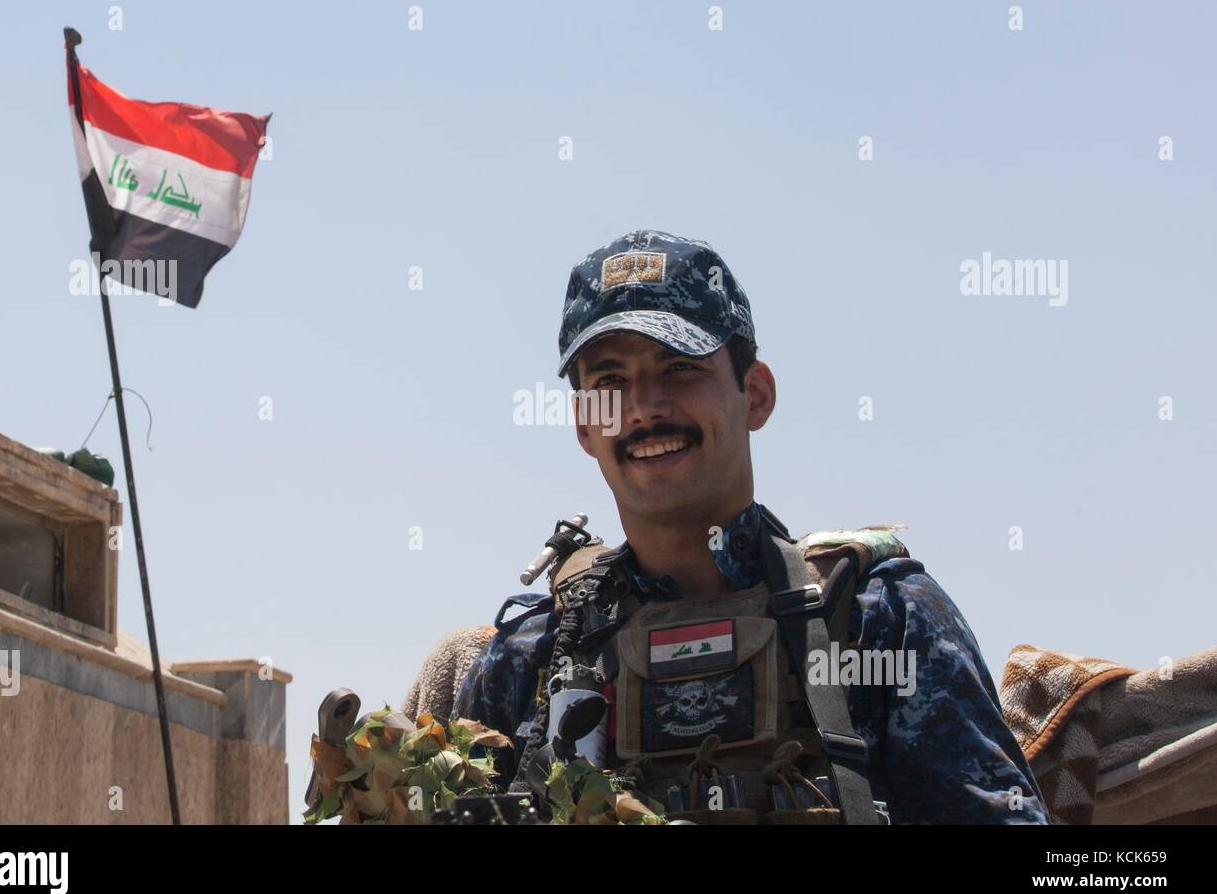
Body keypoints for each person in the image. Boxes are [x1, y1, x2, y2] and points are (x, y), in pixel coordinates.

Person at [444, 229, 1048, 824]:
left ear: (754, 394)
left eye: (679, 368)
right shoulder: (529, 662)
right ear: (583, 425)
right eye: (610, 382)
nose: (645, 407)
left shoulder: (877, 618)